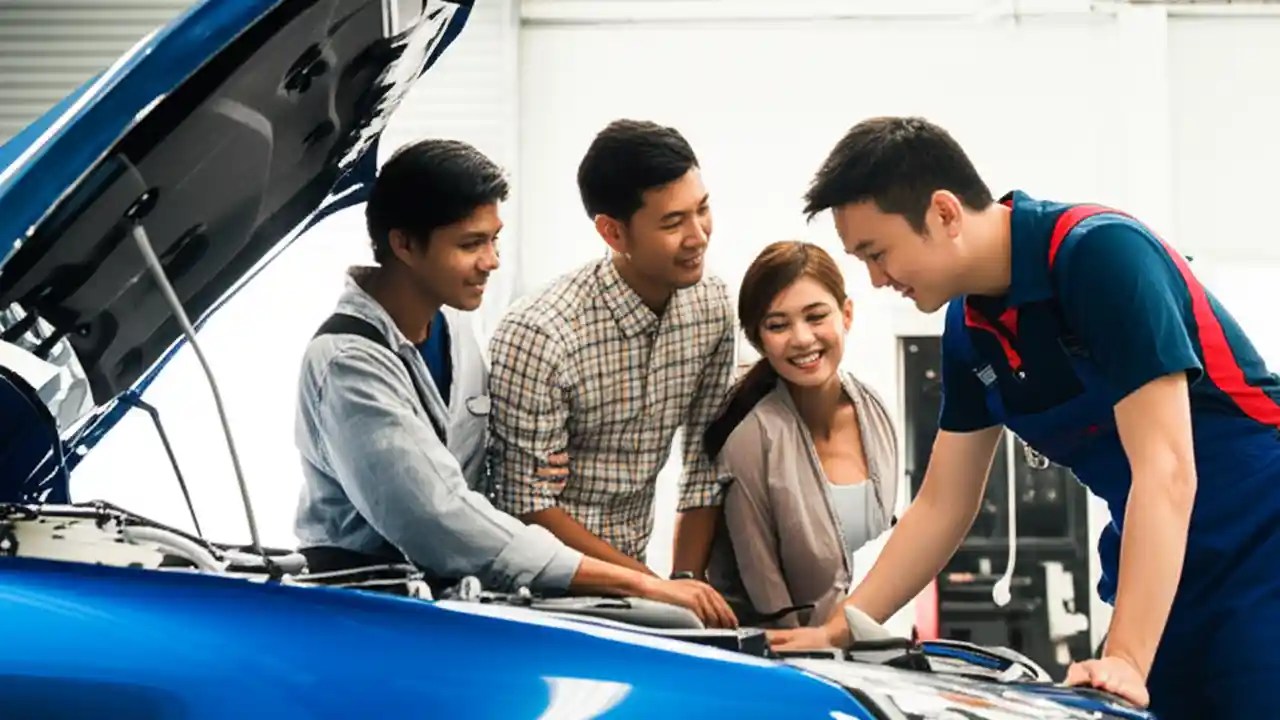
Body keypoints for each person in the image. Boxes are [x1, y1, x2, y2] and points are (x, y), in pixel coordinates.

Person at [770, 115, 1280, 718]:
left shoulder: (1101, 255)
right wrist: (845, 626)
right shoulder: (968, 331)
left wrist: (1127, 658)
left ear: (943, 213)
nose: (877, 280)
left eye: (877, 254)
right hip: (1169, 561)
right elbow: (942, 505)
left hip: (1263, 541)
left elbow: (1167, 469)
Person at [292, 138, 734, 627]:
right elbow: (440, 519)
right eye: (470, 244)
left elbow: (482, 464)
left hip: (445, 596)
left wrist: (526, 464)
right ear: (404, 245)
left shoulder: (453, 324)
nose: (492, 260)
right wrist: (643, 583)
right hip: (360, 606)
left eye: (493, 239)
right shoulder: (348, 363)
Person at [487, 119, 737, 604]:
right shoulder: (540, 333)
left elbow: (704, 464)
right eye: (672, 222)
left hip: (642, 586)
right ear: (613, 231)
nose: (698, 235)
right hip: (538, 590)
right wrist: (653, 587)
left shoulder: (712, 308)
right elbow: (526, 506)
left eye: (702, 209)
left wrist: (684, 581)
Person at [701, 240, 899, 628]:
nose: (802, 338)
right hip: (789, 661)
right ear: (758, 339)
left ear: (846, 314)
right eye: (778, 325)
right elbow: (770, 601)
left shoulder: (874, 410)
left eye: (816, 316)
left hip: (873, 652)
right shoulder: (750, 439)